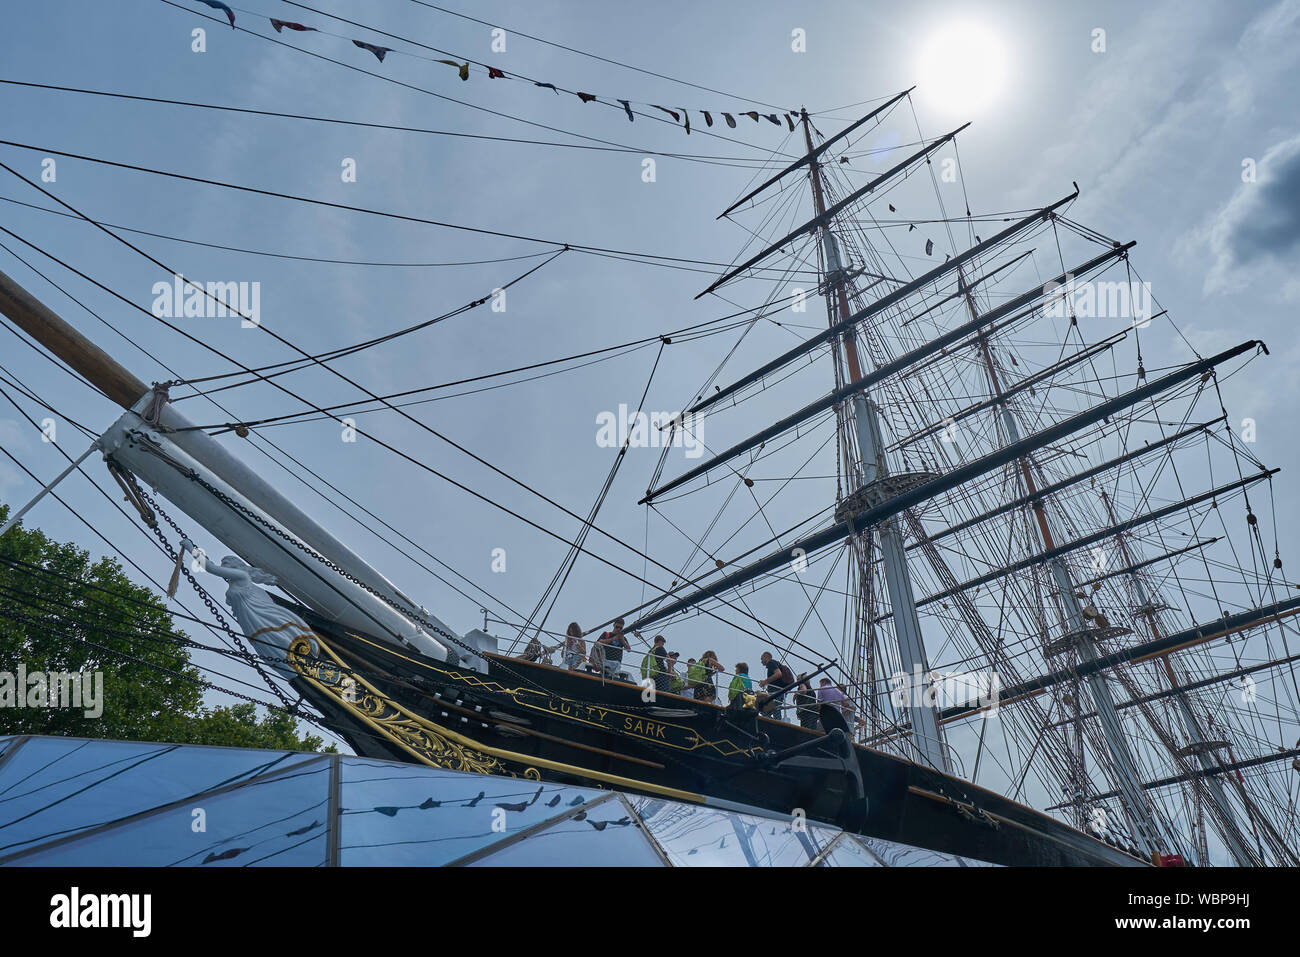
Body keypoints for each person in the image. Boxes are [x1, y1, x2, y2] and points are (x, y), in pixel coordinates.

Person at [758, 651, 795, 720]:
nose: (761, 661)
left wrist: (765, 682)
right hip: (780, 691)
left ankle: (777, 723)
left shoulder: (771, 663)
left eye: (762, 659)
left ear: (767, 657)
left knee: (772, 709)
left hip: (777, 692)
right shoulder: (776, 664)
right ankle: (773, 721)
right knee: (769, 709)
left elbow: (778, 674)